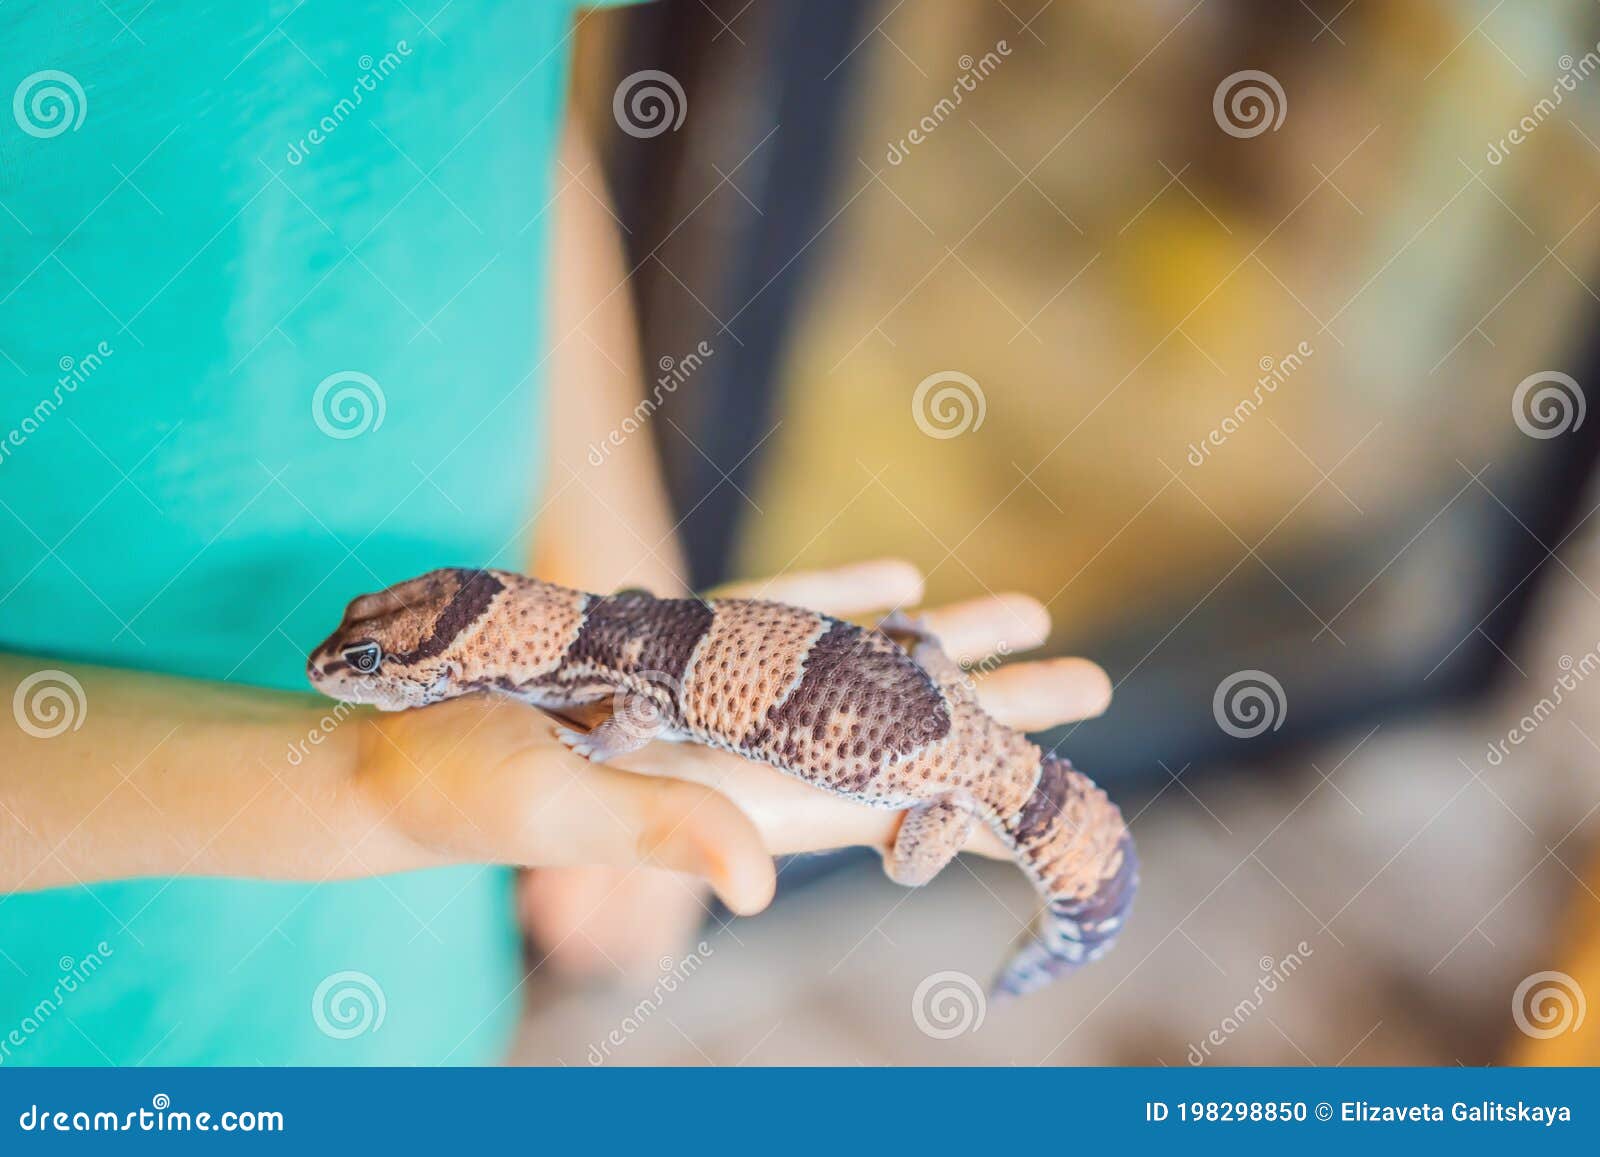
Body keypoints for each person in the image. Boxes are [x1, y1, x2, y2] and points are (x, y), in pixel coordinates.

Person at [0, 3, 1112, 1064]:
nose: (345, 662)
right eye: (369, 653)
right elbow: (621, 694)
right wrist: (372, 785)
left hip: (417, 979)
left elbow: (513, 116)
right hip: (90, 1017)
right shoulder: (592, 643)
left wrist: (604, 523)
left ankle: (1072, 922)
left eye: (374, 657)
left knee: (919, 846)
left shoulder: (597, 653)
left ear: (478, 649)